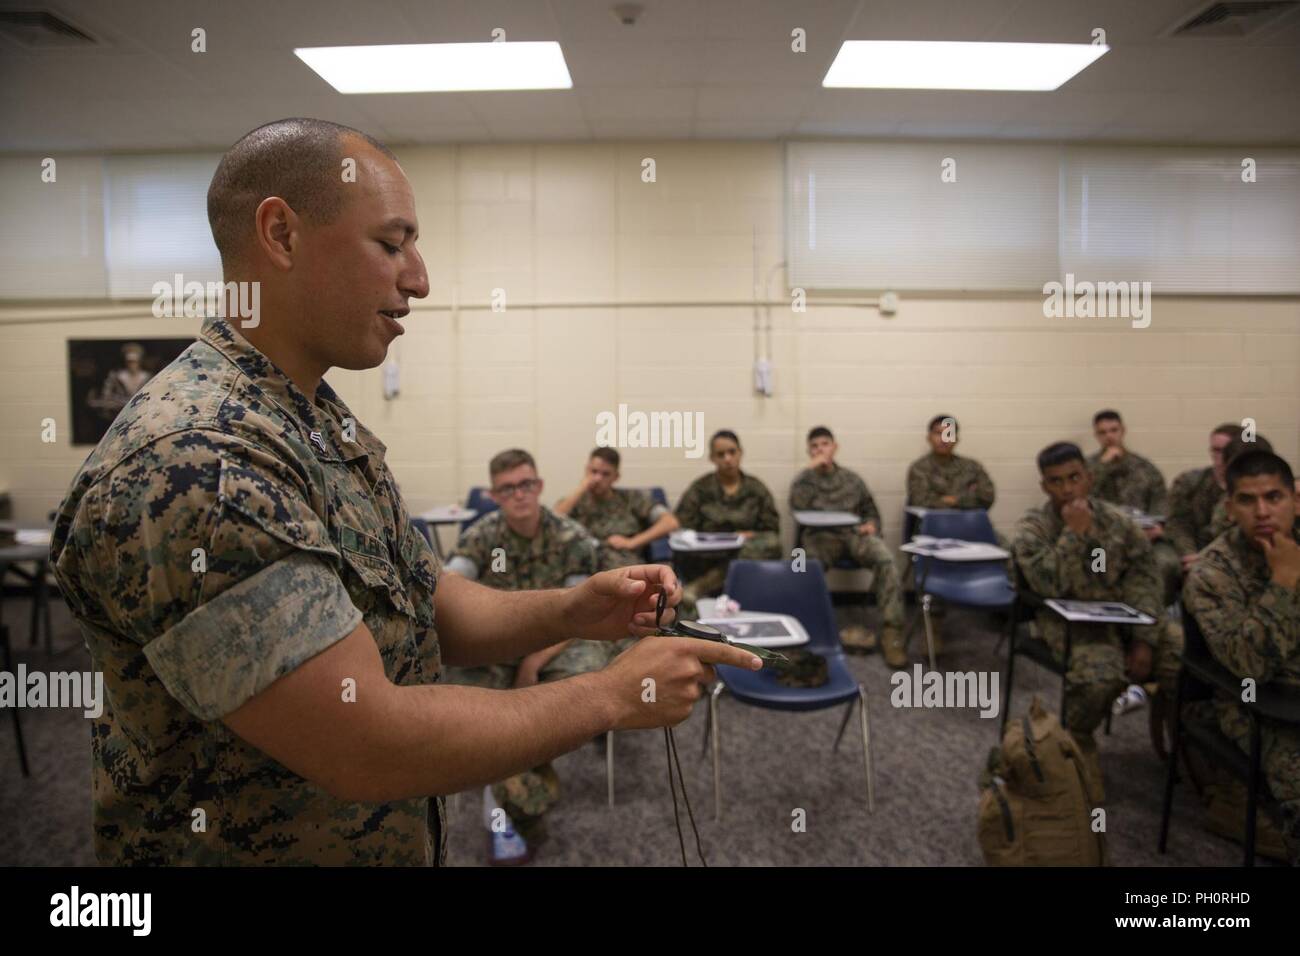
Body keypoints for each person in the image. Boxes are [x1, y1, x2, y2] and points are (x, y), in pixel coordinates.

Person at [47, 118, 760, 867]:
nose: (418, 278)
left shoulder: (313, 419)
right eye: (391, 245)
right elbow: (364, 743)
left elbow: (428, 602)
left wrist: (576, 608)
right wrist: (613, 695)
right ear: (281, 235)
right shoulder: (198, 458)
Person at [442, 448, 609, 862]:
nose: (520, 494)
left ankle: (511, 787)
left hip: (554, 646)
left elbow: (581, 618)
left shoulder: (571, 537)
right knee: (465, 699)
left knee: (585, 680)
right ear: (494, 495)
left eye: (526, 484)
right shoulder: (480, 536)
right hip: (498, 642)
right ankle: (512, 790)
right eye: (508, 488)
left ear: (540, 487)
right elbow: (449, 591)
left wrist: (532, 664)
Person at [1012, 442, 1165, 797]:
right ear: (1044, 487)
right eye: (1056, 481)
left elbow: (1145, 577)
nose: (1067, 489)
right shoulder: (1033, 527)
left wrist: (1145, 637)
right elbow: (1047, 584)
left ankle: (1201, 768)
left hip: (1124, 618)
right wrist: (1075, 535)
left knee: (1181, 656)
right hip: (1064, 622)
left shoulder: (1117, 522)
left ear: (1089, 477)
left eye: (1075, 478)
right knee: (1100, 674)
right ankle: (1078, 739)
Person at [1184, 450, 1300, 864]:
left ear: (1296, 500)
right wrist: (1284, 582)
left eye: (1274, 497)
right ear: (1230, 508)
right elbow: (1250, 668)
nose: (1263, 511)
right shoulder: (1213, 573)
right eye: (1248, 501)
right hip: (1258, 706)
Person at [789, 426, 906, 667]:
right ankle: (808, 630)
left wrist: (872, 525)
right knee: (802, 567)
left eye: (825, 444)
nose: (820, 449)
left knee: (886, 560)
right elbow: (796, 506)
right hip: (819, 538)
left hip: (854, 535)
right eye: (814, 446)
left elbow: (871, 511)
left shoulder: (852, 480)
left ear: (835, 447)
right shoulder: (804, 481)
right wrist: (808, 471)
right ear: (809, 451)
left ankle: (891, 633)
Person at [673, 430, 781, 605]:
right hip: (707, 554)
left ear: (740, 453)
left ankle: (699, 587)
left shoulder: (756, 489)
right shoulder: (701, 488)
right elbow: (682, 526)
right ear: (712, 458)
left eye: (732, 452)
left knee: (771, 544)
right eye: (721, 454)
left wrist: (750, 535)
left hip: (745, 551)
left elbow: (771, 528)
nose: (727, 459)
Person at [1087, 409, 1179, 605]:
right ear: (1096, 436)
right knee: (1096, 567)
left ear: (1123, 431)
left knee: (1167, 562)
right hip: (1101, 541)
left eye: (1113, 430)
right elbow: (1082, 498)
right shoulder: (1088, 469)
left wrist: (1157, 529)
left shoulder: (1144, 468)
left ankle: (1157, 616)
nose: (1109, 437)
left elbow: (1161, 506)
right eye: (1102, 432)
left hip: (1145, 539)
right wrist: (1102, 466)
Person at [554, 446, 678, 570]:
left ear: (616, 476)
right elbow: (554, 519)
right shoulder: (576, 501)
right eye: (594, 471)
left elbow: (670, 522)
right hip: (583, 566)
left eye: (605, 474)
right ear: (586, 470)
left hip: (621, 564)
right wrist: (581, 488)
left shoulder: (631, 499)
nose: (598, 478)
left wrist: (633, 542)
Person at [1167, 423, 1238, 571]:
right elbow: (1178, 523)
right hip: (1193, 552)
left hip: (1232, 556)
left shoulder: (1247, 488)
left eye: (1227, 451)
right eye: (1216, 450)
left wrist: (1207, 559)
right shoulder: (1189, 482)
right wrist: (1190, 554)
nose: (1221, 456)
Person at [906, 414, 996, 511]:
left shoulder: (972, 467)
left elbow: (987, 497)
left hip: (969, 523)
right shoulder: (919, 468)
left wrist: (951, 500)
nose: (944, 439)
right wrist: (965, 499)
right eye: (938, 433)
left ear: (956, 439)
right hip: (933, 524)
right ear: (929, 437)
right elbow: (919, 501)